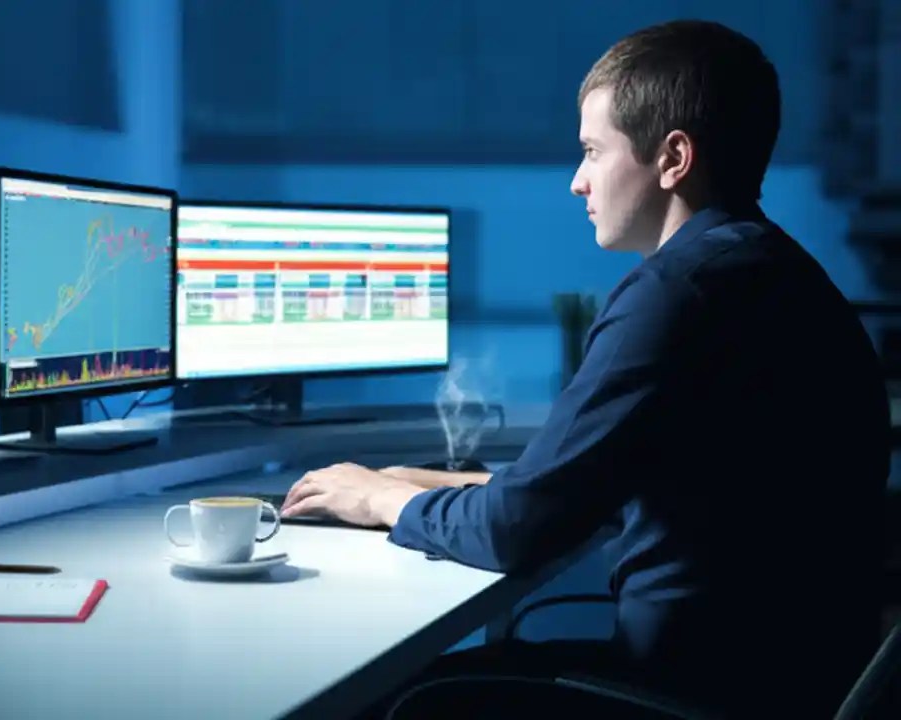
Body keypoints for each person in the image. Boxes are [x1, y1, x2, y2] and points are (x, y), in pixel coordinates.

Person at [281, 19, 891, 718]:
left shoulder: (679, 293)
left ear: (673, 158)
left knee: (407, 698)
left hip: (684, 696)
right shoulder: (777, 274)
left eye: (593, 152)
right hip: (779, 686)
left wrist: (377, 500)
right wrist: (423, 480)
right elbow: (594, 483)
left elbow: (516, 529)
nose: (577, 182)